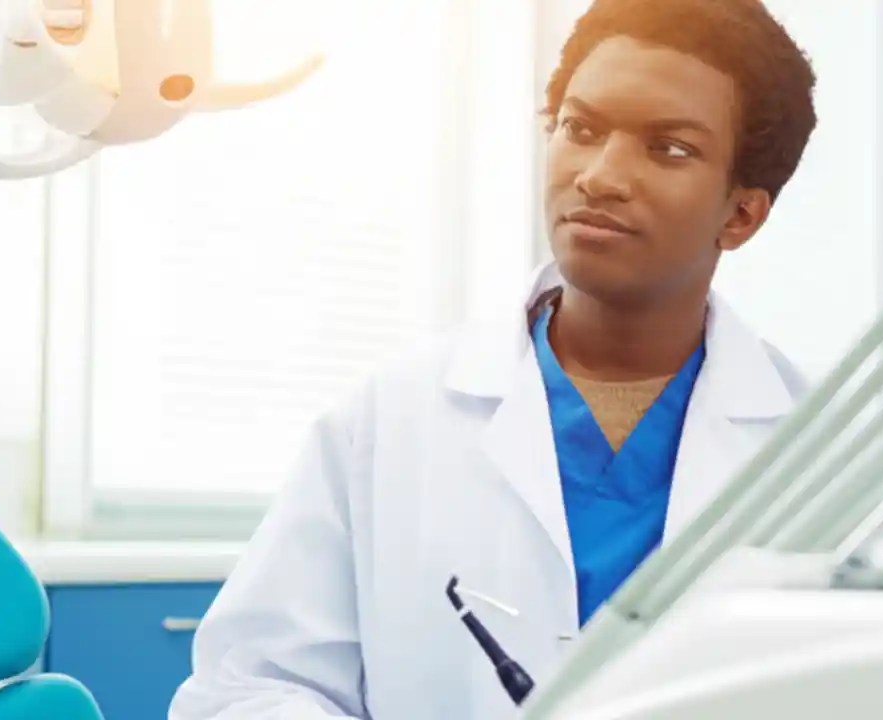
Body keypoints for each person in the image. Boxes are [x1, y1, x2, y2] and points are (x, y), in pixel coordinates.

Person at [169, 0, 816, 717]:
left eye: (668, 148)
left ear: (742, 214)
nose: (600, 176)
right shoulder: (388, 421)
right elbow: (252, 684)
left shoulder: (821, 450)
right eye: (581, 128)